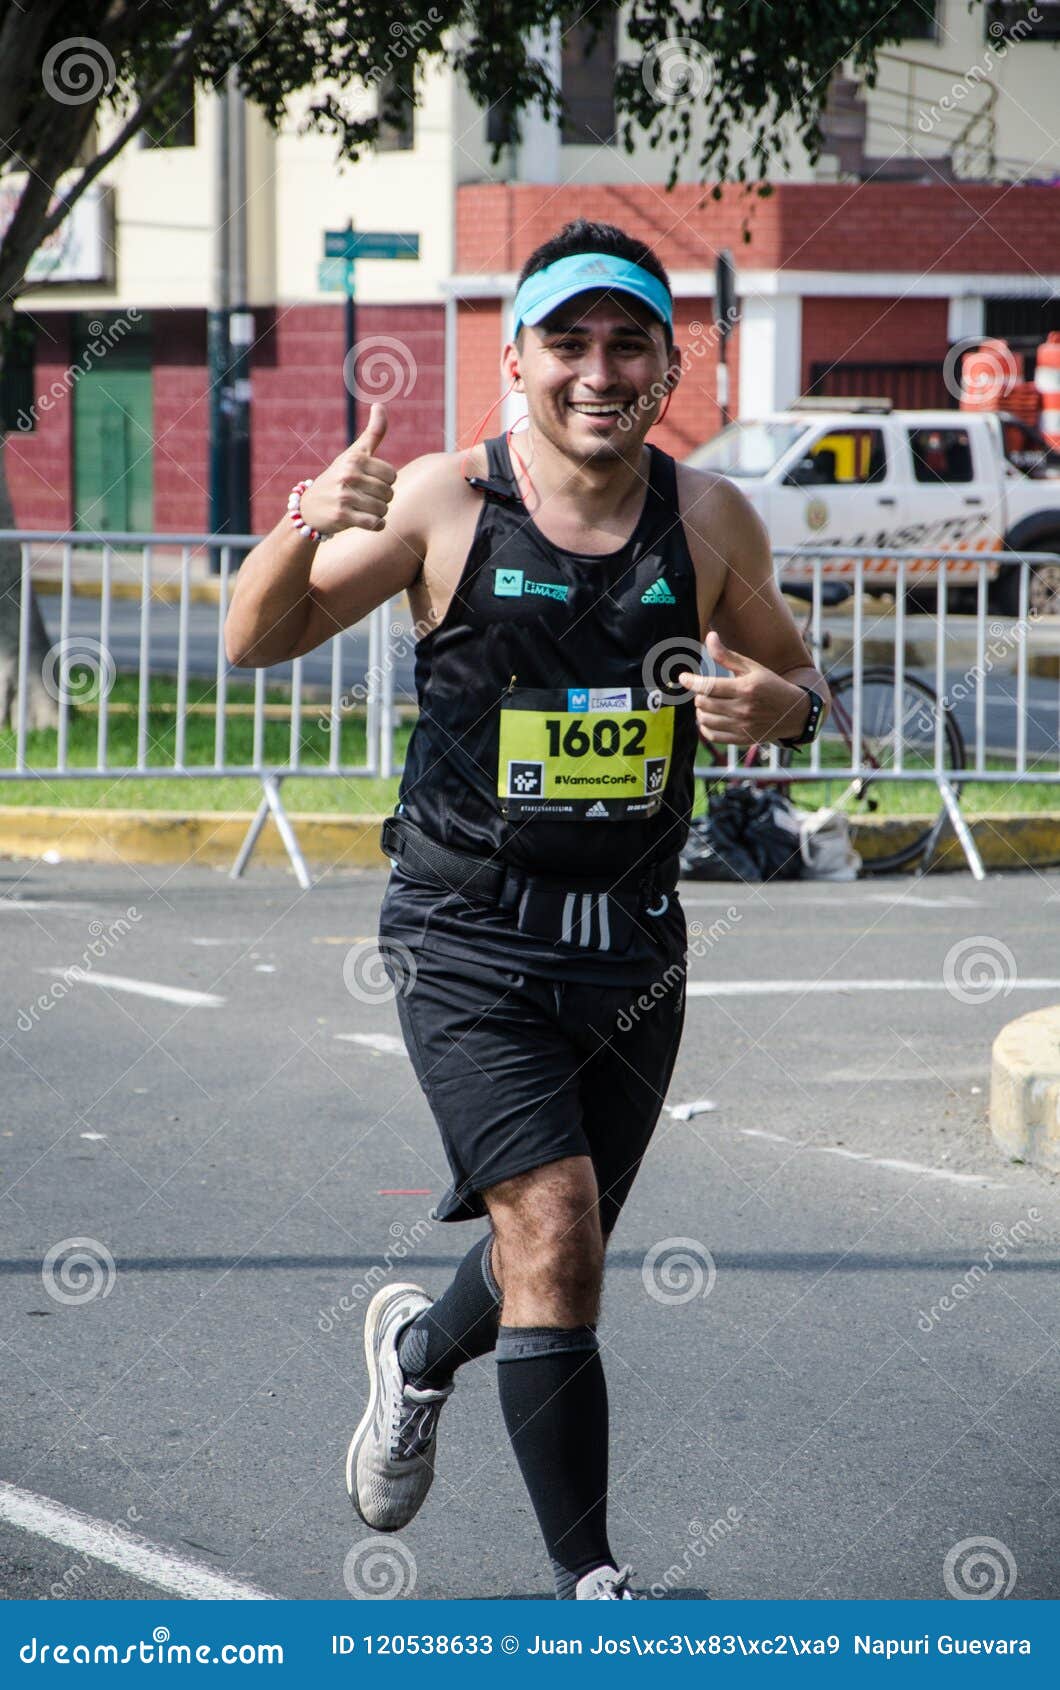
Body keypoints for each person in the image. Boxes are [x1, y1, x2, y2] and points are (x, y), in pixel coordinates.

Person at [225, 218, 829, 1601]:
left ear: (672, 364)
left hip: (635, 949)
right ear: (519, 359)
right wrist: (311, 515)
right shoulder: (447, 502)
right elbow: (254, 637)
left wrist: (781, 706)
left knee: (559, 1245)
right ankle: (595, 1584)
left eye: (629, 343)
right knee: (554, 1224)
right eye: (569, 341)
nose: (598, 370)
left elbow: (805, 690)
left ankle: (420, 1354)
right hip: (467, 932)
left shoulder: (711, 519)